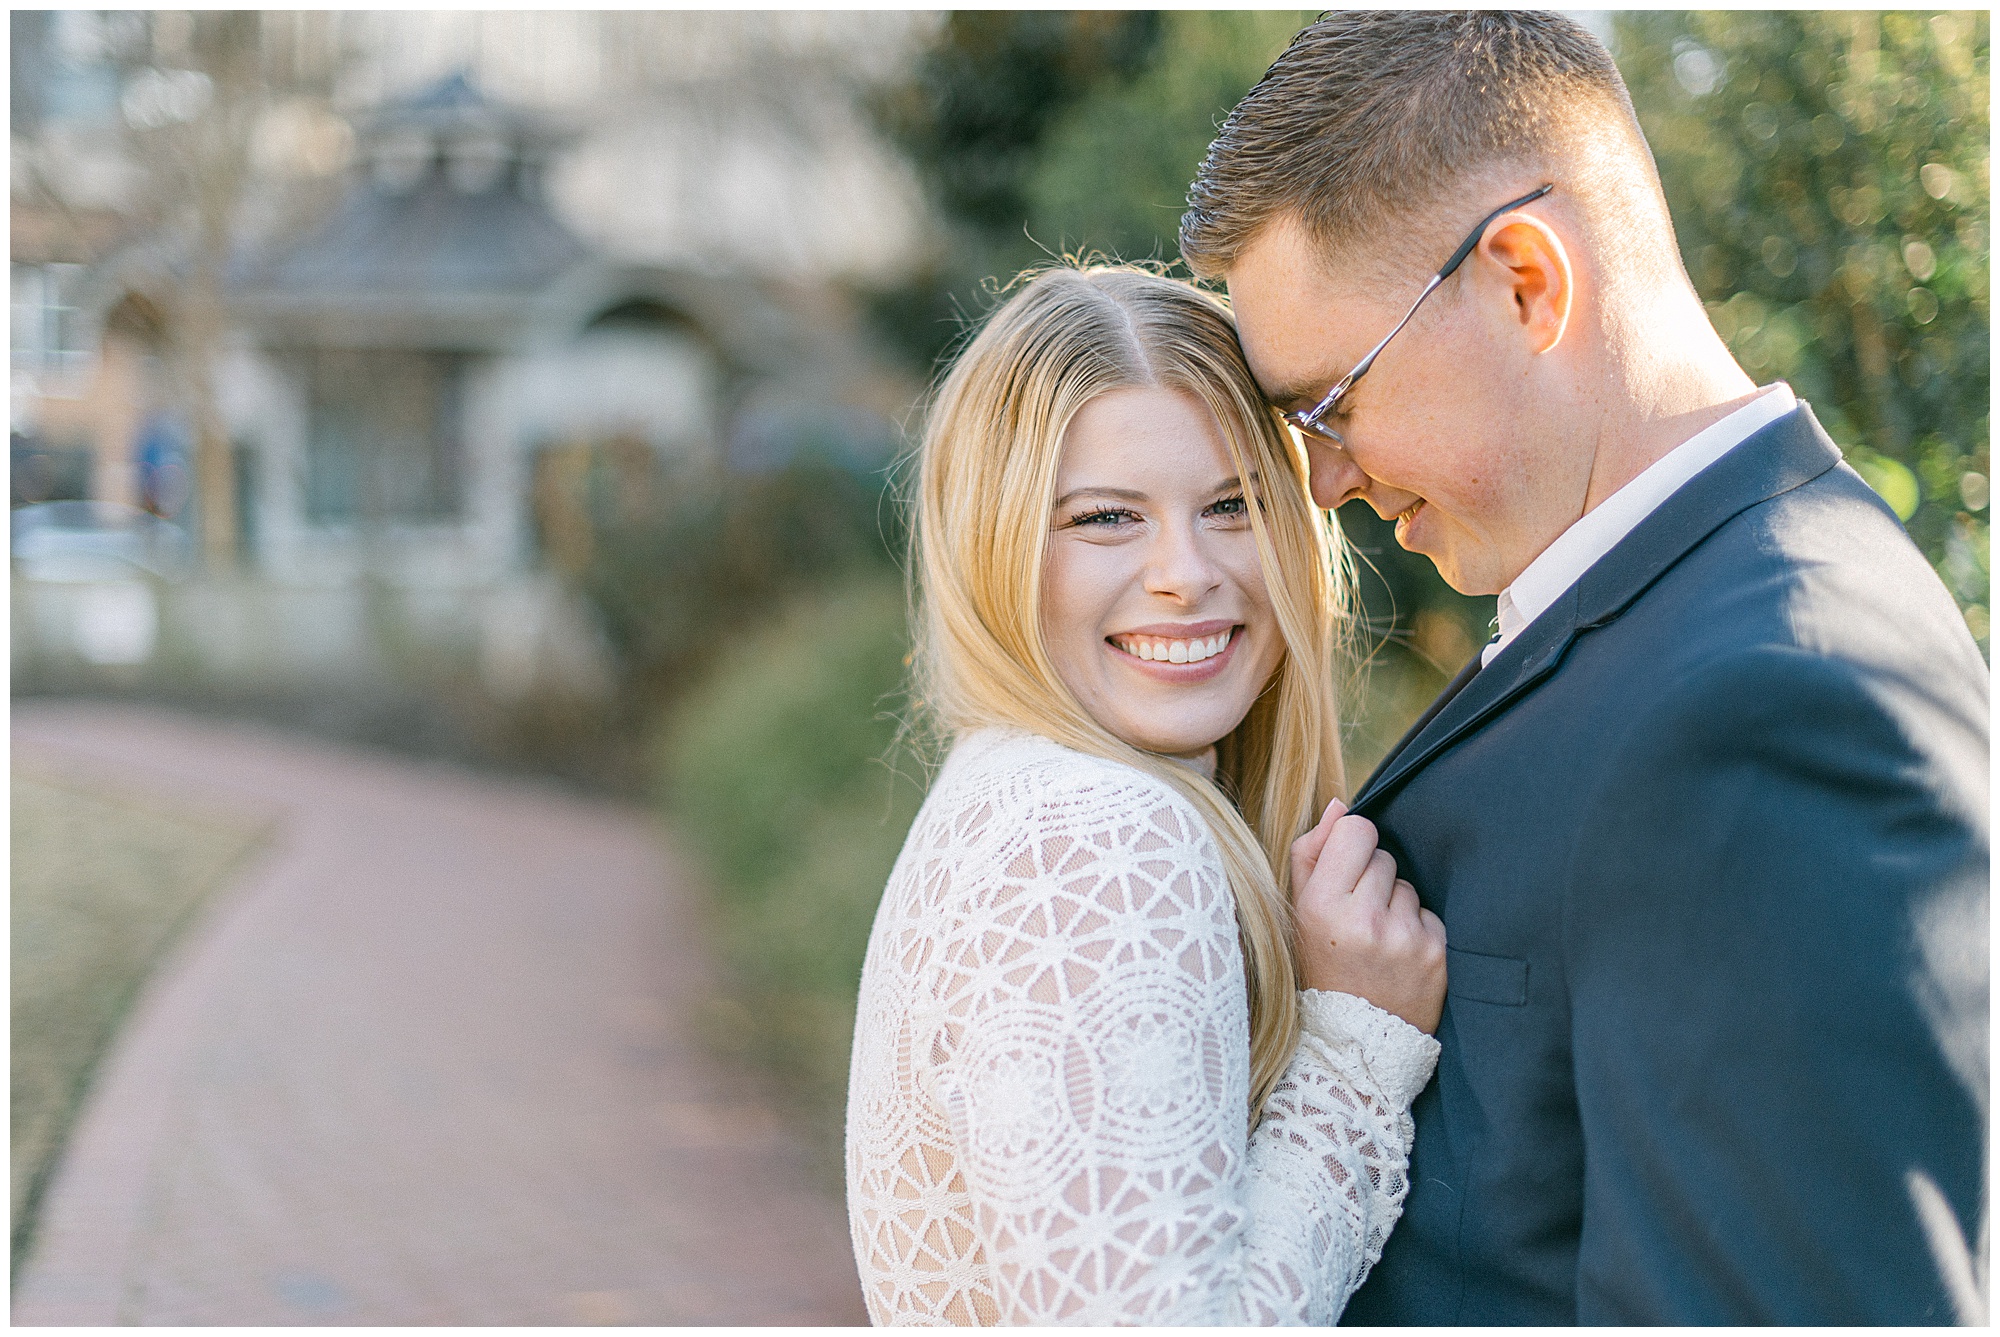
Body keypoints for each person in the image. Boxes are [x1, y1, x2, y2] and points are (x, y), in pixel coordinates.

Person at [1180, 11, 1989, 1325]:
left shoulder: (1773, 704)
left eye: (1332, 403)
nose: (1322, 481)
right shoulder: (1666, 613)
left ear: (1524, 282)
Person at [844, 266, 1447, 1324]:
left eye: (1232, 505)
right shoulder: (1094, 838)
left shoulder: (1018, 794)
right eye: (1107, 517)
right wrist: (1353, 1053)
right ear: (993, 544)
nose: (1186, 572)